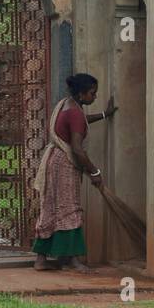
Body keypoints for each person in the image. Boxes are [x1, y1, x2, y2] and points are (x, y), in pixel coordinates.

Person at [32, 74, 117, 272]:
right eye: (92, 94)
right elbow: (78, 149)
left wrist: (105, 114)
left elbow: (80, 121)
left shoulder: (66, 105)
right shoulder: (75, 113)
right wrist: (94, 172)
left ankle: (41, 259)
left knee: (51, 207)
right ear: (81, 94)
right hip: (64, 164)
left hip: (54, 160)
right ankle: (72, 260)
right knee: (70, 208)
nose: (94, 97)